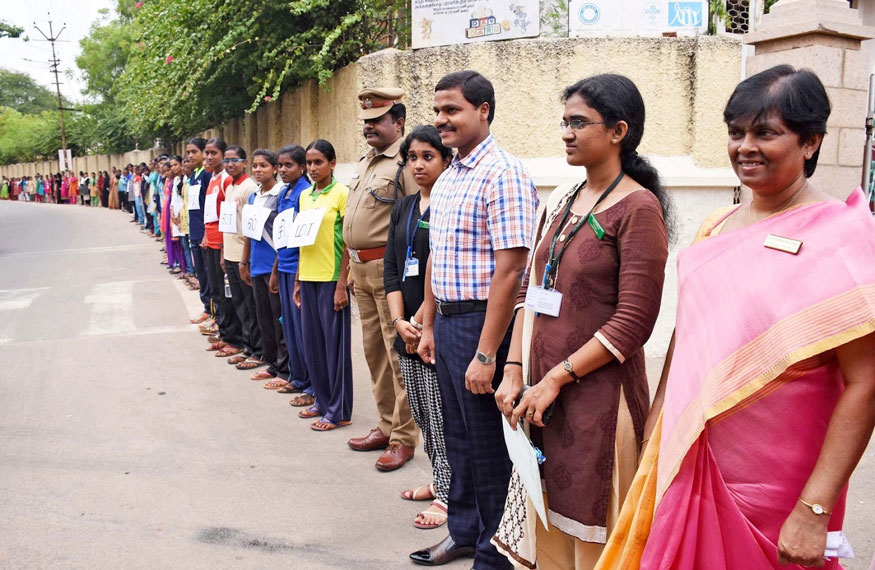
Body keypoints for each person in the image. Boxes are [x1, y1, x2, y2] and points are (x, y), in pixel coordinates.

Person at [596, 65, 875, 570]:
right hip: (690, 457)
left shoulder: (844, 237)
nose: (746, 146)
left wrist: (815, 508)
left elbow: (866, 382)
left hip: (777, 480)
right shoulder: (717, 226)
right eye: (736, 132)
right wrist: (657, 433)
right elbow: (687, 339)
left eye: (765, 133)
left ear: (810, 142)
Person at [490, 74, 670, 570]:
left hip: (599, 403)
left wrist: (554, 377)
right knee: (549, 526)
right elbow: (531, 288)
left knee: (596, 539)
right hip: (544, 396)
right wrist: (512, 367)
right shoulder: (565, 199)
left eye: (579, 123)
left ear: (618, 131)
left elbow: (633, 322)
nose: (566, 133)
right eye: (564, 122)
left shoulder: (638, 209)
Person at [410, 70, 538, 569]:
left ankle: (496, 552)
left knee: (488, 445)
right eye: (437, 111)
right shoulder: (452, 175)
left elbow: (511, 269)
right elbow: (437, 254)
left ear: (483, 110)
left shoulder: (503, 173)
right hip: (448, 321)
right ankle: (464, 532)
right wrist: (428, 319)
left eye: (452, 110)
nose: (441, 120)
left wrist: (488, 354)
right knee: (457, 438)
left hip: (486, 324)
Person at [344, 87, 421, 473]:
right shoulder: (366, 163)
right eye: (367, 122)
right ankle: (386, 424)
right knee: (374, 353)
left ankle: (404, 438)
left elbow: (413, 221)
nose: (369, 127)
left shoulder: (406, 165)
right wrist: (346, 271)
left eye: (377, 120)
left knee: (397, 357)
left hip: (388, 271)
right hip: (359, 270)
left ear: (399, 123)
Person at [384, 125, 454, 529]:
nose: (419, 165)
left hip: (434, 328)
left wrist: (421, 322)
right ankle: (438, 479)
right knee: (423, 414)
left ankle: (448, 495)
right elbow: (392, 269)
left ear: (446, 160)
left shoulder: (448, 206)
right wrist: (397, 321)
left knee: (442, 415)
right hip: (405, 327)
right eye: (412, 157)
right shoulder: (404, 207)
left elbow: (441, 268)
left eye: (429, 156)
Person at [293, 139, 353, 431]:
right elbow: (302, 241)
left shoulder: (342, 194)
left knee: (334, 348)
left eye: (319, 162)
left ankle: (338, 410)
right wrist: (297, 280)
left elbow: (349, 243)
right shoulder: (305, 196)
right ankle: (320, 399)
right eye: (309, 163)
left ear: (332, 163)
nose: (313, 168)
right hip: (308, 278)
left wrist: (342, 283)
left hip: (331, 280)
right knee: (313, 345)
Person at [240, 148, 289, 386]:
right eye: (255, 166)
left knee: (278, 319)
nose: (258, 170)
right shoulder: (254, 196)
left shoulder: (281, 195)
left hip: (274, 266)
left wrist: (276, 270)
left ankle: (284, 368)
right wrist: (244, 260)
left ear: (275, 169)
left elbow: (282, 234)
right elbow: (249, 232)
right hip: (257, 265)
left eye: (264, 166)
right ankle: (271, 363)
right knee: (264, 320)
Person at [269, 145, 315, 402]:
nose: (283, 170)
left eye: (289, 165)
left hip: (299, 268)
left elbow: (304, 239)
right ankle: (296, 377)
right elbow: (281, 236)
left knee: (302, 328)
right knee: (290, 327)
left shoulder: (304, 194)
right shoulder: (283, 193)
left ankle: (309, 383)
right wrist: (276, 270)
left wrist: (297, 274)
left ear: (301, 167)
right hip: (284, 266)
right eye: (281, 165)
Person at [218, 145, 260, 363]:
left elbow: (251, 227)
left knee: (250, 305)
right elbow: (228, 223)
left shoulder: (249, 188)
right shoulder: (229, 186)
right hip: (231, 254)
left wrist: (246, 259)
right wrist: (224, 252)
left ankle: (254, 349)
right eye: (226, 161)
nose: (230, 164)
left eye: (235, 160)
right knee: (239, 303)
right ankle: (245, 345)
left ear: (245, 162)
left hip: (245, 255)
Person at [200, 138, 243, 348]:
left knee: (226, 293)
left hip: (222, 244)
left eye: (214, 153)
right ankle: (222, 328)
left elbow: (229, 216)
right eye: (206, 153)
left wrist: (223, 246)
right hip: (211, 241)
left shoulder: (226, 180)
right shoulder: (212, 178)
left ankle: (230, 336)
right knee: (216, 290)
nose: (209, 157)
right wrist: (206, 236)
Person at [185, 138, 214, 324]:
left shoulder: (206, 175)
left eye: (194, 152)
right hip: (194, 231)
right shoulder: (194, 175)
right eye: (188, 152)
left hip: (205, 233)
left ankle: (213, 312)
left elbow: (209, 207)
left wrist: (205, 233)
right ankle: (206, 307)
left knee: (209, 275)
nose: (190, 156)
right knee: (201, 274)